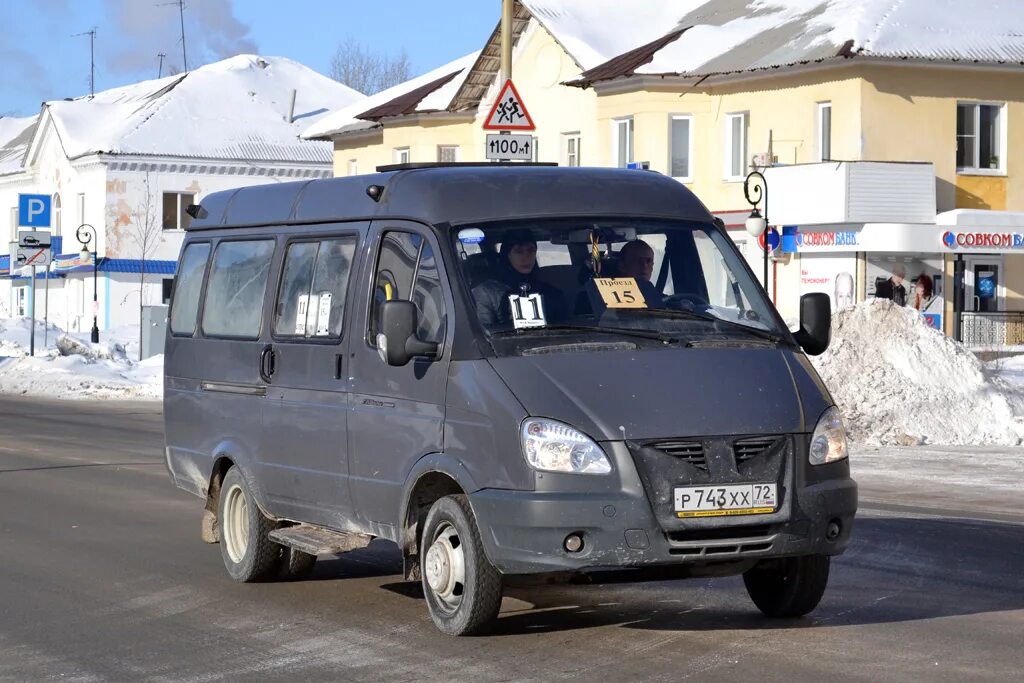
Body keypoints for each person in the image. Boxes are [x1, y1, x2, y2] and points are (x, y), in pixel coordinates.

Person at [471, 229, 566, 327]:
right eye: (518, 251)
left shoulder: (552, 293)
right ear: (507, 255)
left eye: (530, 250)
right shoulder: (486, 292)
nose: (526, 257)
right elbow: (482, 331)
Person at [616, 239, 664, 307]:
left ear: (652, 265)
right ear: (622, 266)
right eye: (637, 260)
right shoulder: (608, 297)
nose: (644, 265)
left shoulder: (661, 298)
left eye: (648, 260)